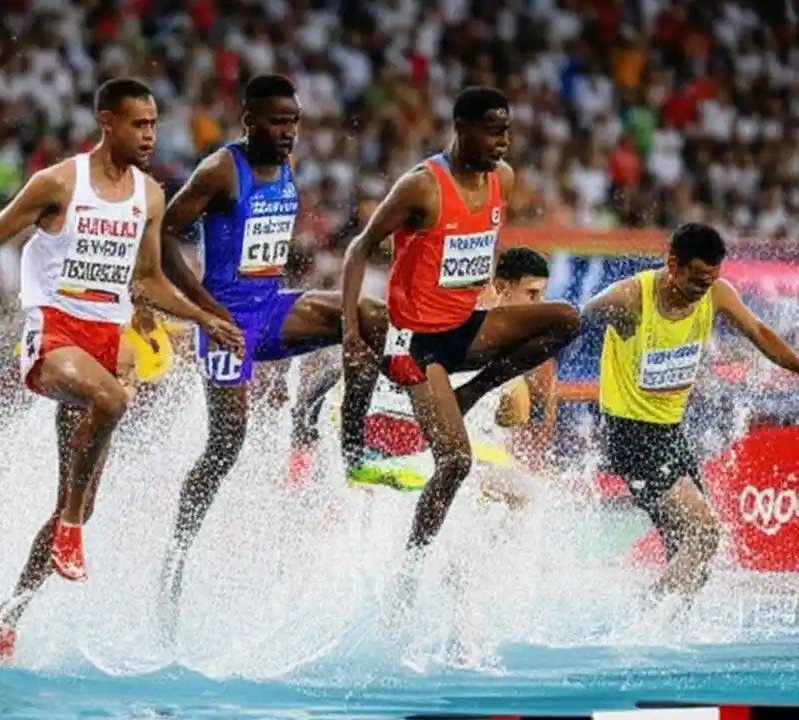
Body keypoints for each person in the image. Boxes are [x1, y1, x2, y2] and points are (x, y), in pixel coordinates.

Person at [0, 78, 243, 661]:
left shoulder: (150, 195)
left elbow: (146, 280)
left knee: (84, 499)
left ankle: (9, 610)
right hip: (54, 336)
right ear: (107, 122)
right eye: (138, 124)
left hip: (103, 337)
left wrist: (203, 319)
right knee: (114, 401)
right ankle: (69, 528)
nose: (149, 135)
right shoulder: (60, 183)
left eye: (154, 124)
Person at [154, 74, 388, 621]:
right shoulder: (220, 168)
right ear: (249, 121)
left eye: (294, 123)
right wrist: (203, 309)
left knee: (369, 316)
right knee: (227, 444)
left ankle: (353, 446)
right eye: (277, 122)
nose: (288, 133)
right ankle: (178, 552)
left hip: (270, 307)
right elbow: (165, 232)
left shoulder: (284, 164)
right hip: (226, 320)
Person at [341, 86, 580, 559]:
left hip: (465, 328)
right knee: (456, 462)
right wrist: (350, 332)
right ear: (461, 129)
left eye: (507, 131)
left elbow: (472, 245)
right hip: (416, 342)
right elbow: (359, 247)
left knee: (567, 319)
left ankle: (471, 392)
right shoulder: (421, 185)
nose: (503, 141)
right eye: (493, 131)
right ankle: (411, 564)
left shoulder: (503, 180)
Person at [584, 222, 799, 601]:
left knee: (689, 550)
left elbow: (760, 332)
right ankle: (647, 618)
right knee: (705, 532)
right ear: (673, 265)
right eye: (697, 279)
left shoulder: (716, 294)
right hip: (628, 433)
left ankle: (666, 630)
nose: (703, 289)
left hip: (669, 432)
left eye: (711, 279)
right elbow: (574, 320)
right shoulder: (631, 298)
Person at [351, 247, 557, 504]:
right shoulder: (485, 336)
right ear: (501, 287)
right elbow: (514, 414)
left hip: (381, 447)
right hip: (419, 456)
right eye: (532, 295)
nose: (537, 305)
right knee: (526, 494)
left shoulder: (410, 315)